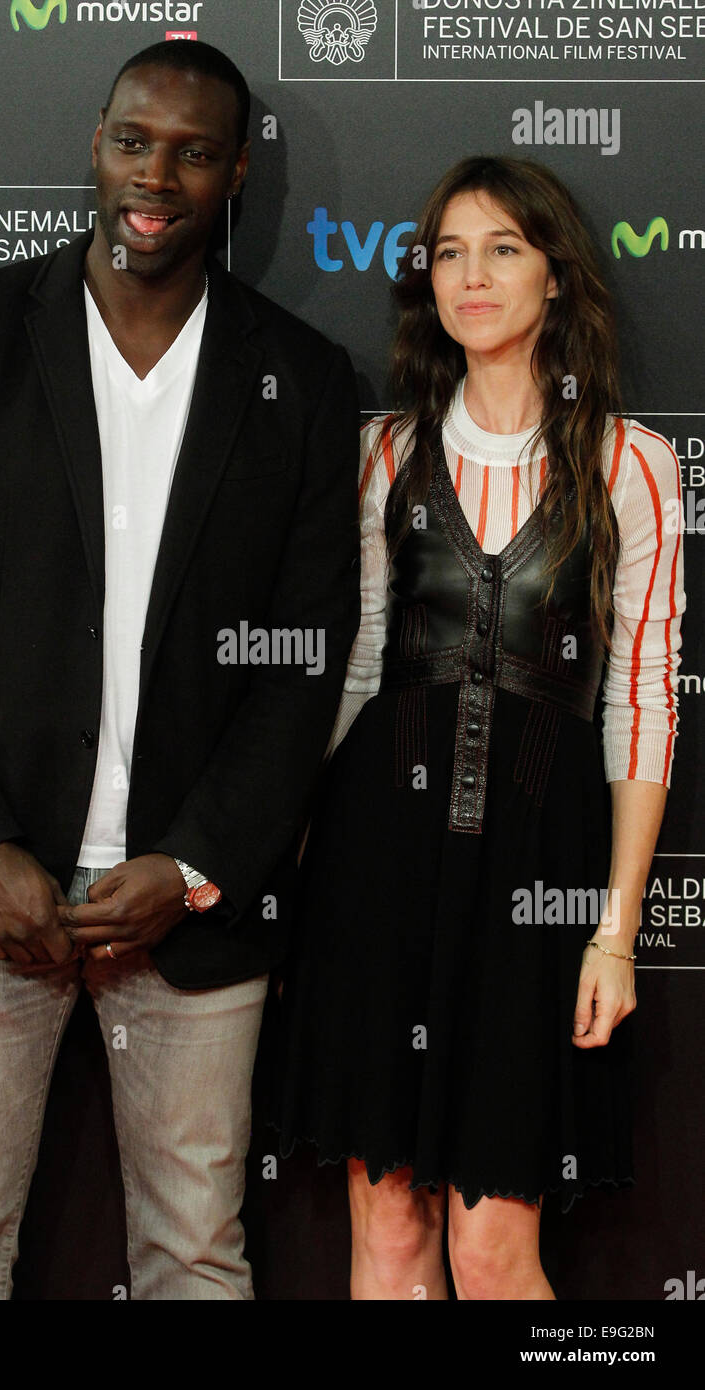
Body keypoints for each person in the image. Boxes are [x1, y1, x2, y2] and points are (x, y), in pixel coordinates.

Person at [0, 40, 360, 1300]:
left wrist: (191, 869)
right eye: (135, 140)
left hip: (187, 913)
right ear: (96, 141)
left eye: (193, 152)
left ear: (237, 171)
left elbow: (303, 664)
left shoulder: (299, 379)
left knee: (195, 1252)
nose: (156, 175)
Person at [277, 155, 685, 1300]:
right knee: (390, 1232)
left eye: (503, 247)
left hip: (534, 882)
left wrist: (613, 929)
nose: (473, 274)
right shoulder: (382, 453)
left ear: (557, 277)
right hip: (377, 867)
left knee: (495, 1246)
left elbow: (643, 698)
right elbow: (351, 670)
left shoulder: (633, 466)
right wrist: (287, 870)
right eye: (450, 251)